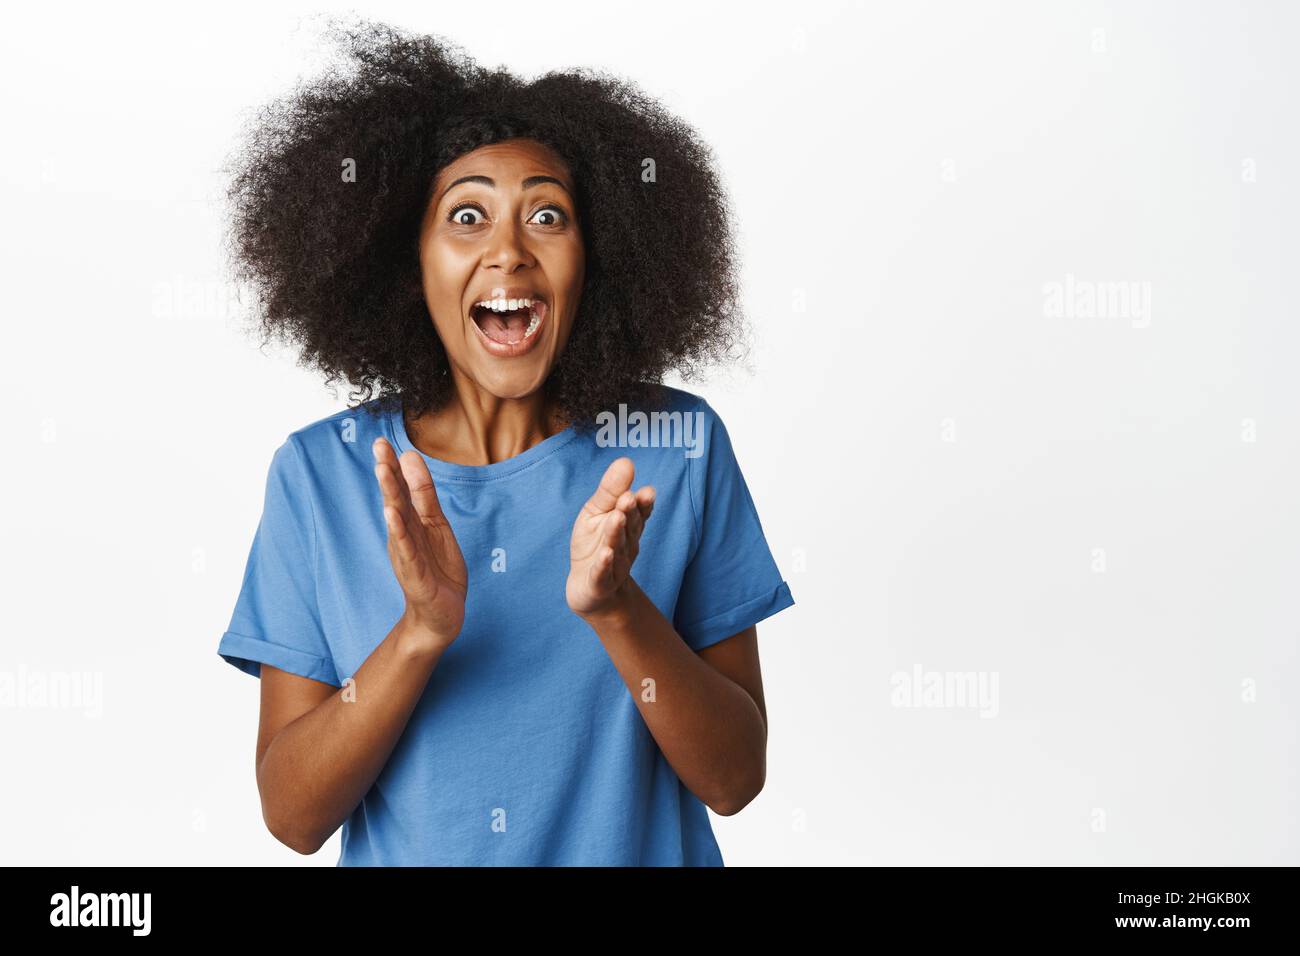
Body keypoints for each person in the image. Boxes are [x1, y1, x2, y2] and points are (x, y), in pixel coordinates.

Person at [217, 19, 794, 866]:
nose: (508, 253)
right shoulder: (321, 475)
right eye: (467, 216)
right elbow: (295, 817)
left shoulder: (675, 446)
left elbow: (736, 779)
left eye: (548, 216)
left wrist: (617, 608)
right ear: (406, 260)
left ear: (594, 258)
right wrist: (419, 630)